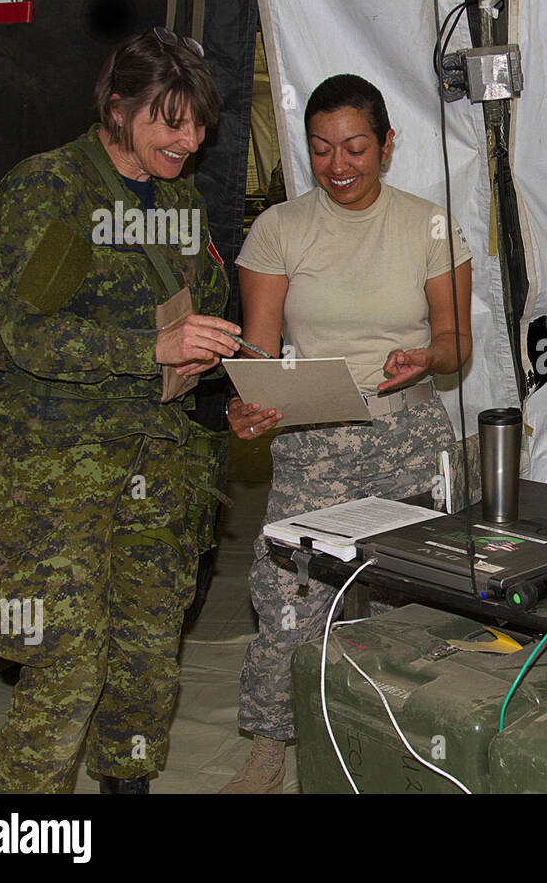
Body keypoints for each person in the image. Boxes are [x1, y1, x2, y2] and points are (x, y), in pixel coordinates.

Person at [0, 29, 236, 793]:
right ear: (117, 108)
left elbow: (209, 308)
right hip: (60, 469)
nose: (187, 141)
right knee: (68, 662)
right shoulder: (53, 189)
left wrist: (226, 372)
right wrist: (152, 348)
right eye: (169, 122)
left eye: (197, 125)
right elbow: (31, 334)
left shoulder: (182, 199)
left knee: (147, 655)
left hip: (159, 463)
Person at [222, 74, 472, 793]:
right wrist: (250, 405)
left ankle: (402, 744)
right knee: (290, 599)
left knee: (411, 602)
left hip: (411, 442)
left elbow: (455, 342)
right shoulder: (279, 229)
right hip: (314, 444)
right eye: (322, 149)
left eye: (356, 147)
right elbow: (260, 353)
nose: (339, 166)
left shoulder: (428, 223)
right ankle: (272, 747)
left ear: (387, 146)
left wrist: (427, 356)